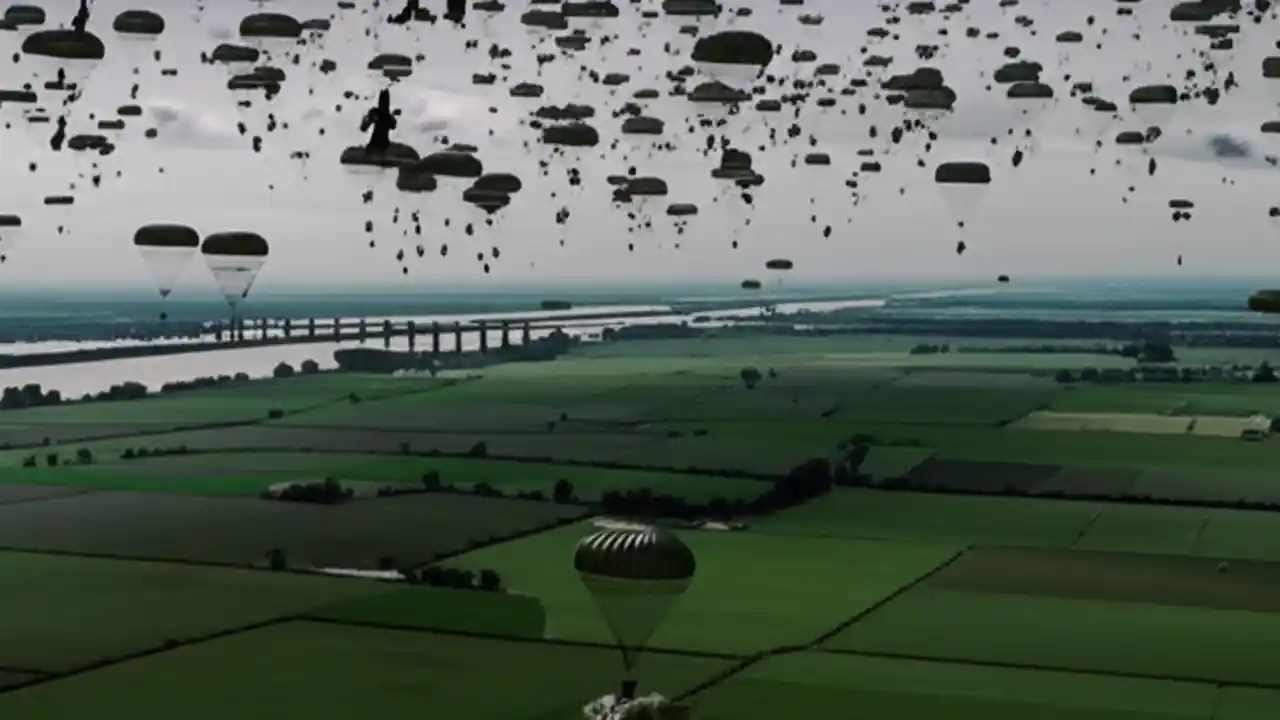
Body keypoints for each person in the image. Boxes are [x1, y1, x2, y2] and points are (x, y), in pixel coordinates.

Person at [360, 89, 397, 155]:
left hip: (378, 144)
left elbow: (364, 127)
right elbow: (393, 126)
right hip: (382, 144)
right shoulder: (386, 116)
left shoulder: (377, 113)